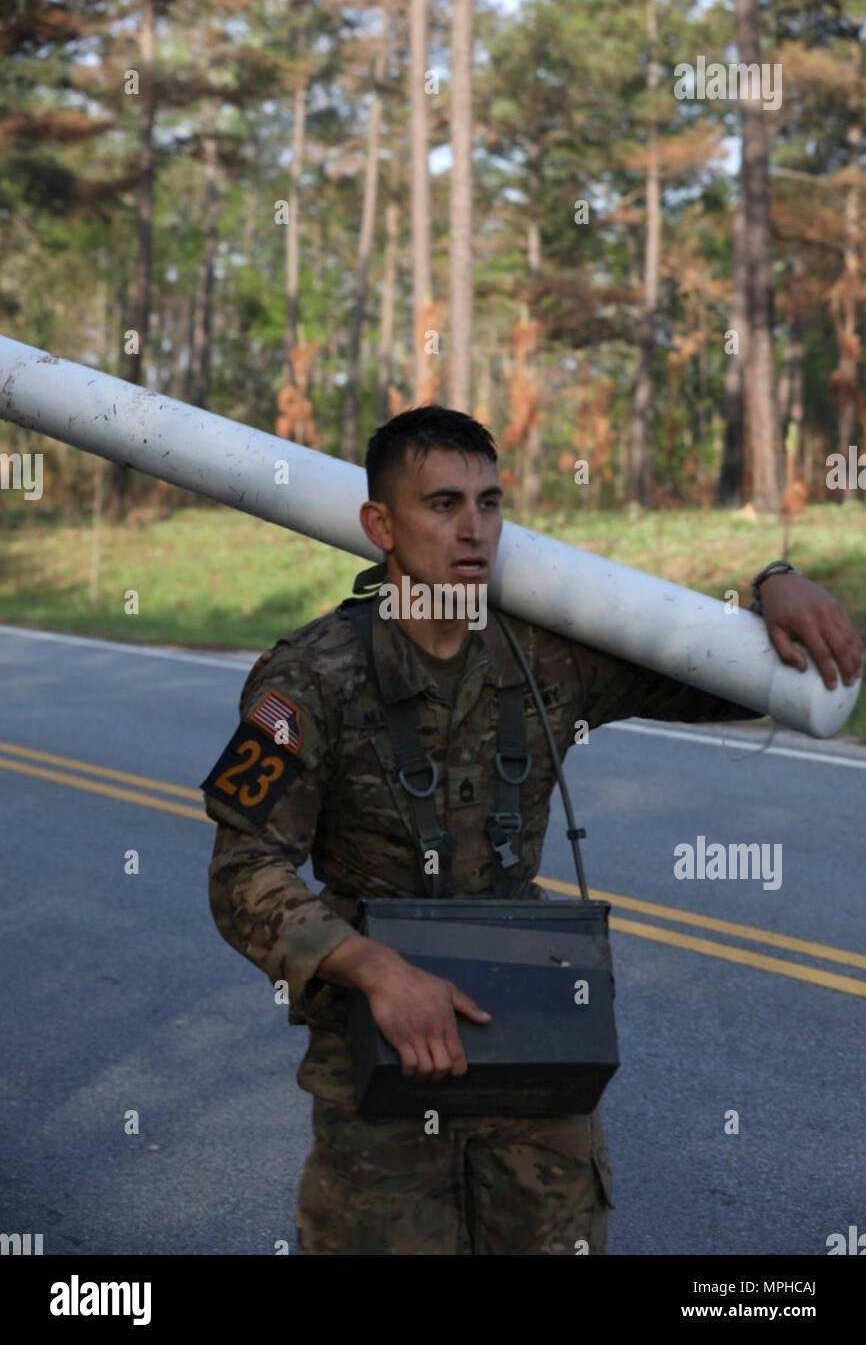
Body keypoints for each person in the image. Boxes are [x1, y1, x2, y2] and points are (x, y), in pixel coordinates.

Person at [202, 407, 863, 1256]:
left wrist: (775, 585)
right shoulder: (310, 677)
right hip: (385, 1057)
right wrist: (375, 970)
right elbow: (242, 872)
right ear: (381, 525)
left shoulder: (552, 654)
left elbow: (737, 674)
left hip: (536, 1048)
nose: (473, 530)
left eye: (490, 503)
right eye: (442, 505)